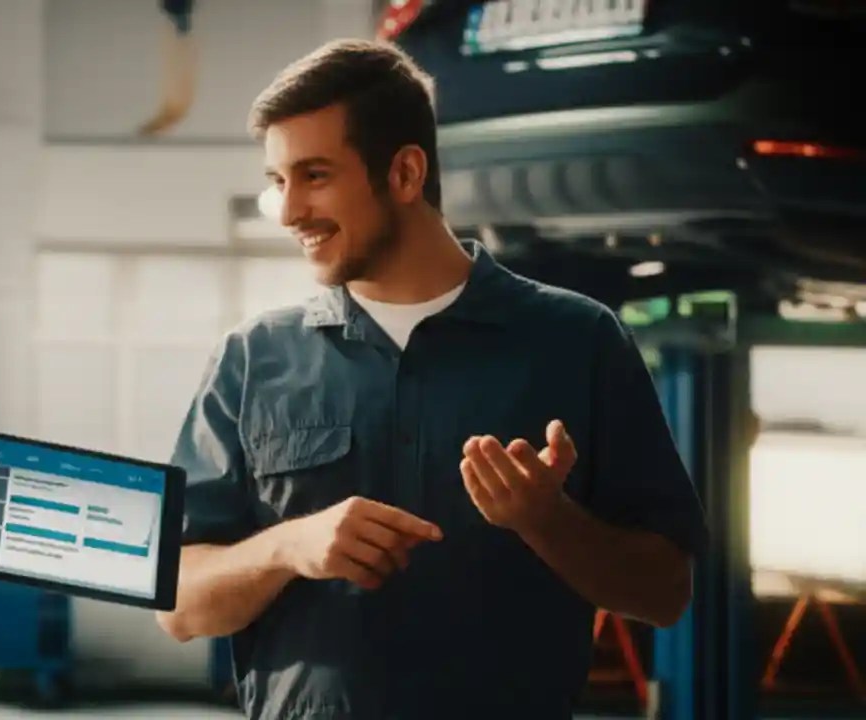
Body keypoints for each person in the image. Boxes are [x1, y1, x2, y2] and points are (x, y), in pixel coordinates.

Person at [156, 40, 708, 719]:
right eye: (278, 181)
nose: (290, 210)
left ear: (406, 173)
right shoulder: (253, 359)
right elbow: (177, 605)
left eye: (315, 175)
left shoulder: (578, 342)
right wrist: (288, 547)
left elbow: (665, 592)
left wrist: (548, 521)